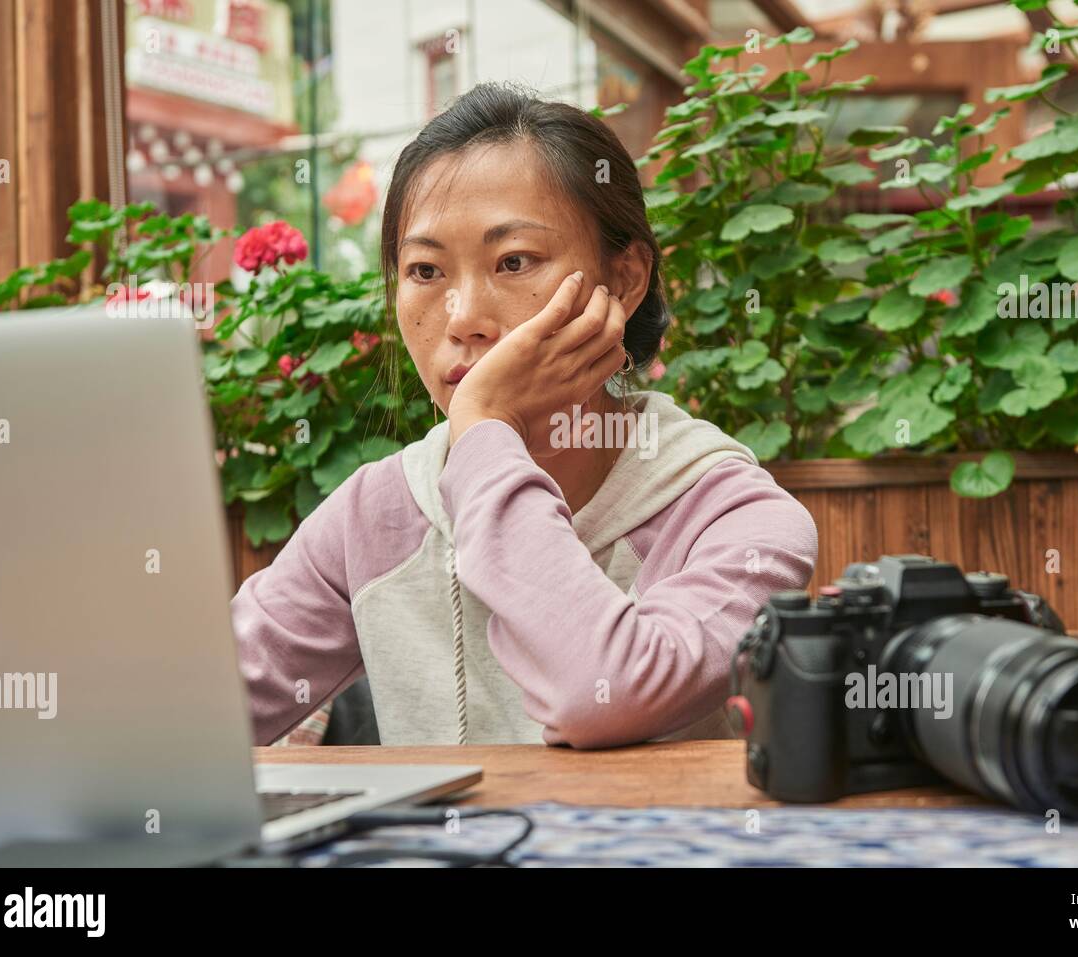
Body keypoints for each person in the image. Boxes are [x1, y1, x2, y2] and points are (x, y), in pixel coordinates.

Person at [231, 81, 819, 749]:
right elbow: (186, 714)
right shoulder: (374, 518)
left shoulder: (736, 519)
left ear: (623, 280)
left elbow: (602, 691)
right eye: (425, 270)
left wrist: (486, 425)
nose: (464, 318)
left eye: (514, 261)